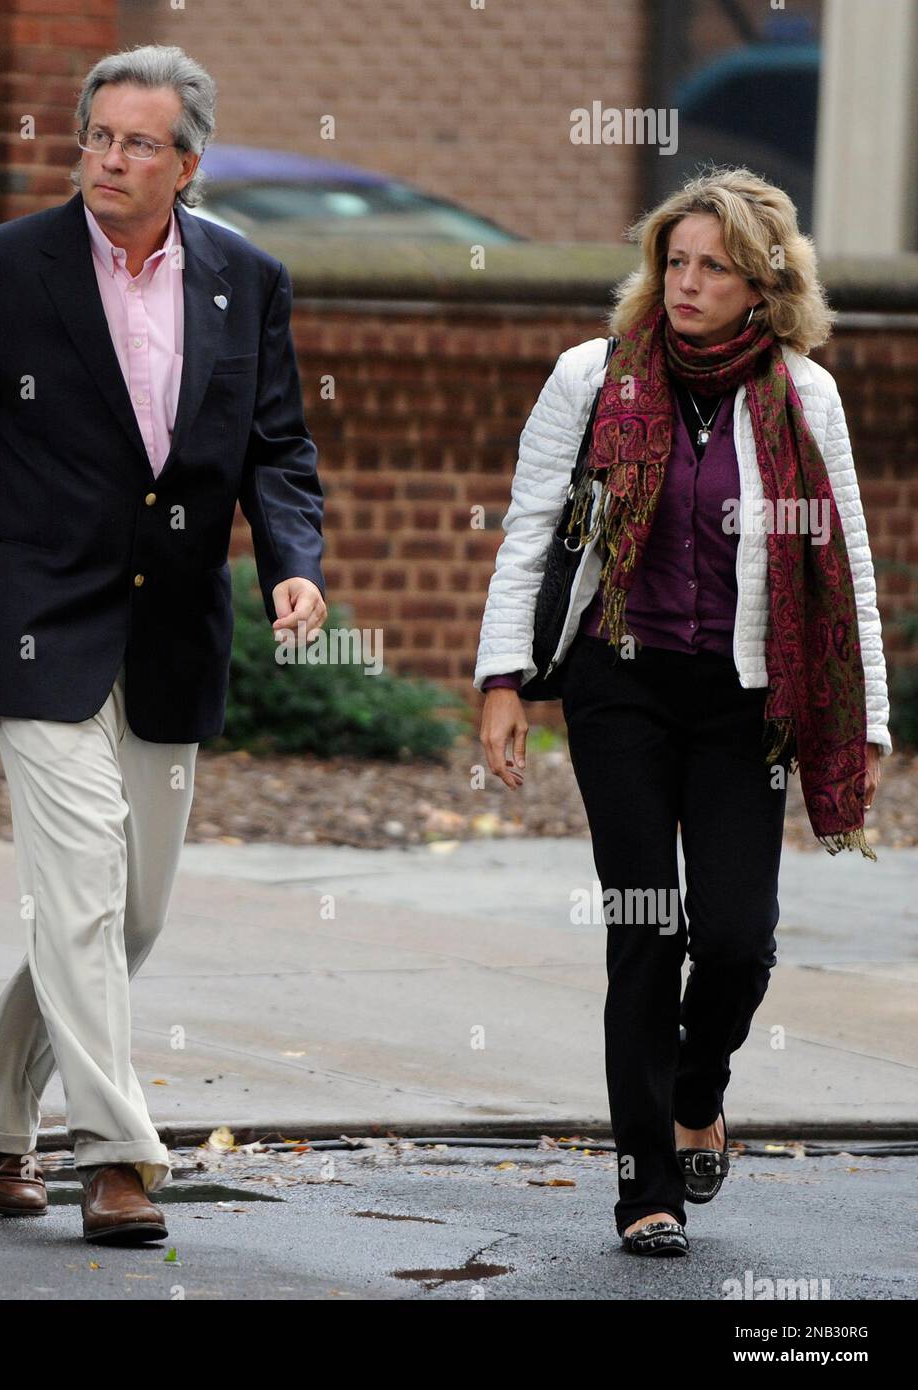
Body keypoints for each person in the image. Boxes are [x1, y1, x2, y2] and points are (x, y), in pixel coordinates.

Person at [0, 44, 328, 1246]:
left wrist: (295, 566)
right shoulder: (3, 269)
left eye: (137, 143)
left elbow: (278, 448)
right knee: (79, 897)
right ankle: (117, 1155)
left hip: (174, 633)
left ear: (187, 163)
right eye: (95, 135)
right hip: (40, 621)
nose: (106, 158)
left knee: (126, 916)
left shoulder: (249, 278)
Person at [474, 167, 890, 1256]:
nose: (687, 283)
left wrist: (870, 722)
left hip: (743, 703)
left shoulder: (803, 395)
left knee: (738, 940)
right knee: (644, 928)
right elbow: (528, 531)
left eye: (714, 267)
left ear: (763, 285)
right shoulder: (592, 377)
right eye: (675, 261)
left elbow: (843, 569)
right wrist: (501, 679)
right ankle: (643, 1186)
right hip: (620, 686)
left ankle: (696, 1090)